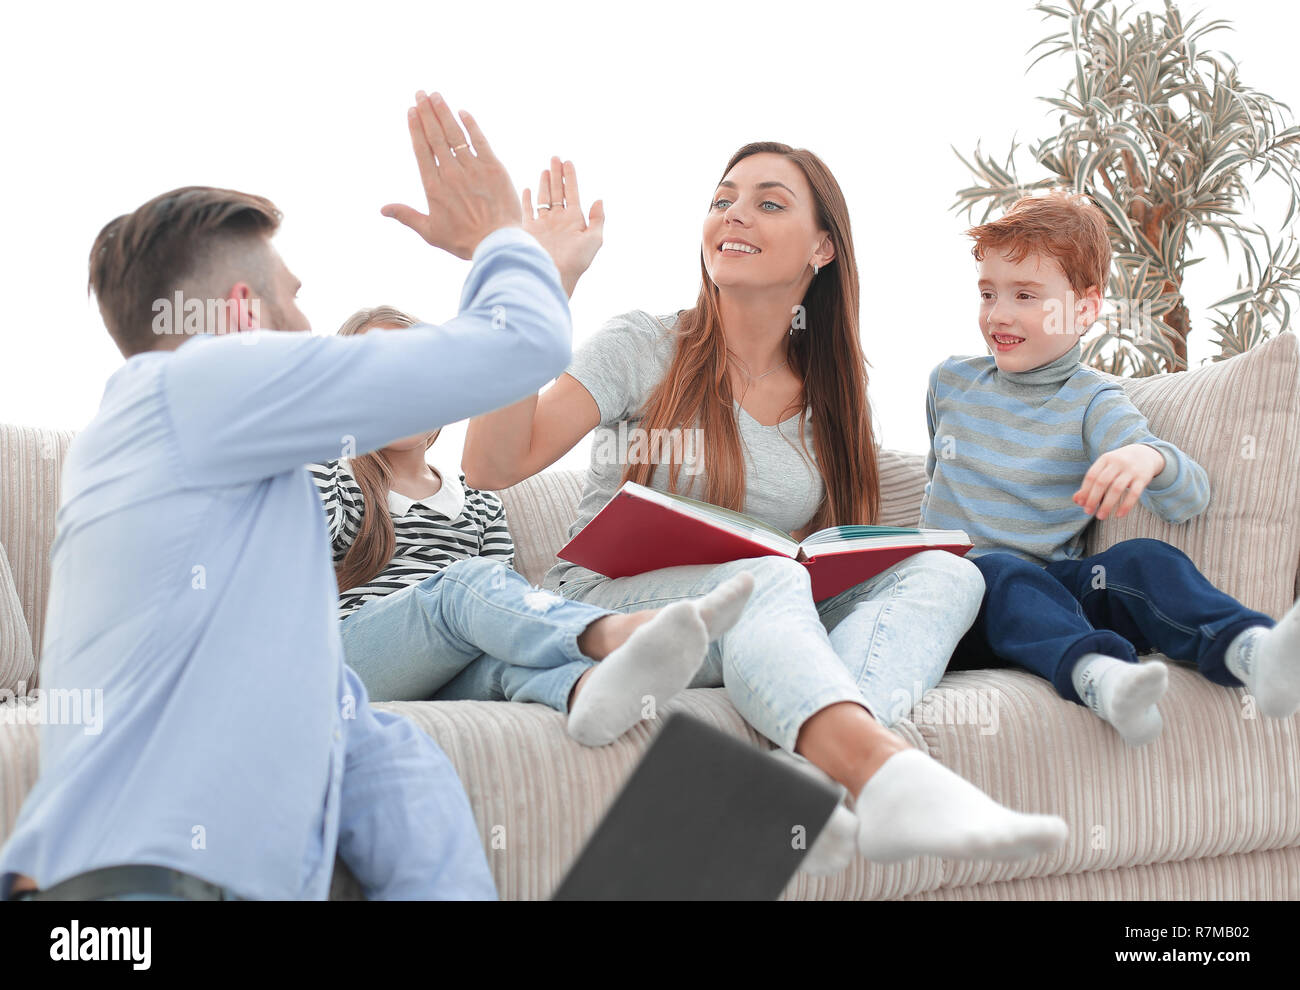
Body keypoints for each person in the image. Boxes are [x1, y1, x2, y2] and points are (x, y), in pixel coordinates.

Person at [0, 90, 598, 901]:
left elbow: (359, 740)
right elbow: (518, 346)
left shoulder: (219, 486)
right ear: (245, 316)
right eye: (296, 296)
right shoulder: (193, 389)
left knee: (386, 745)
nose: (311, 322)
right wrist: (503, 237)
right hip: (127, 901)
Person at [462, 145, 1069, 867]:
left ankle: (813, 777)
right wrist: (544, 284)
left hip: (747, 616)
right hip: (611, 608)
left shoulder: (833, 396)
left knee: (951, 575)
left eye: (768, 202)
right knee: (765, 582)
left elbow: (823, 551)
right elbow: (490, 465)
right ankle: (883, 775)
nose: (734, 214)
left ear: (822, 249)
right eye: (723, 199)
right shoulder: (643, 345)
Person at [923, 189, 1300, 745]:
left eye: (1025, 295)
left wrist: (1147, 457)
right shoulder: (951, 381)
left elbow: (1189, 497)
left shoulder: (1094, 401)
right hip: (957, 601)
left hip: (1052, 591)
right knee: (1001, 571)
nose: (998, 314)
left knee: (1144, 560)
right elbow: (939, 478)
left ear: (1085, 307)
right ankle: (1098, 677)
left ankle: (1251, 651)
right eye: (988, 294)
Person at [313, 305, 754, 744]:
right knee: (461, 585)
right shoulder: (336, 480)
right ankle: (617, 631)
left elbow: (504, 602)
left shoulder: (480, 501)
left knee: (505, 662)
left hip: (443, 670)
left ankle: (588, 695)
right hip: (355, 661)